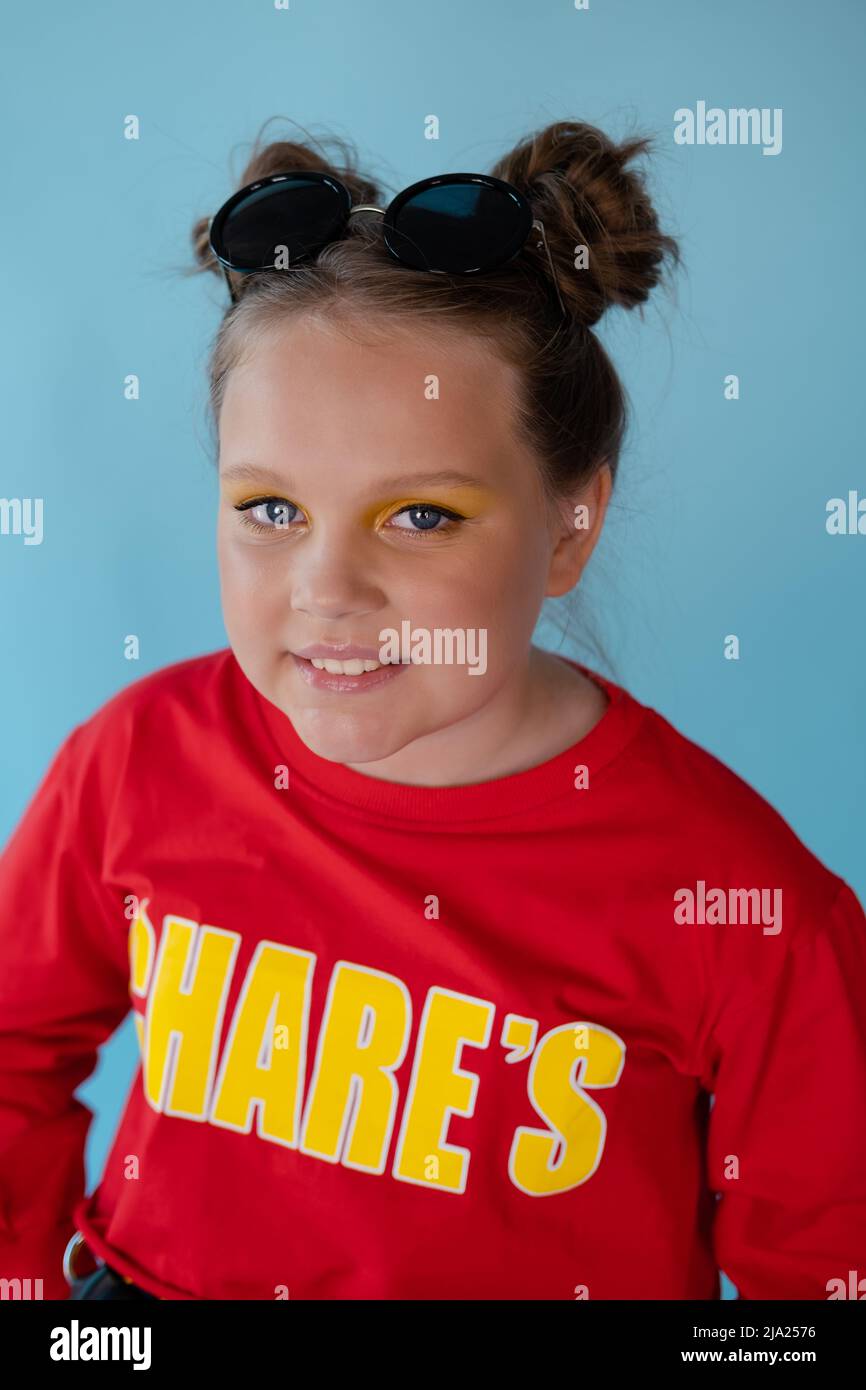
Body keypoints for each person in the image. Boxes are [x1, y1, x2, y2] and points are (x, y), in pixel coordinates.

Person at [1, 118, 864, 1301]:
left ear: (570, 523)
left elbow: (817, 1268)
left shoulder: (746, 906)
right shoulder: (137, 758)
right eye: (268, 509)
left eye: (419, 515)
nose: (326, 593)